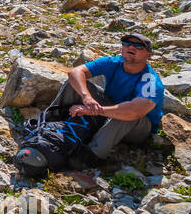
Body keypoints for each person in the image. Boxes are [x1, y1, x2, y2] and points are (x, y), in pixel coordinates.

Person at [55, 33, 165, 166]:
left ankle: (91, 154)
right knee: (74, 85)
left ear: (148, 55)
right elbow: (75, 72)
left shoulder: (150, 80)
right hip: (109, 110)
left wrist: (95, 111)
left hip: (138, 128)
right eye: (126, 44)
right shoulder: (113, 63)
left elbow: (136, 111)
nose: (131, 47)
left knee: (124, 113)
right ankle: (53, 121)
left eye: (138, 46)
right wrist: (87, 97)